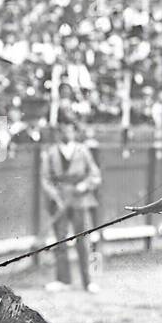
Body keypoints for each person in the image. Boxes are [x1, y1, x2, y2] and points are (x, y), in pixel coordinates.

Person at [40, 123, 102, 292]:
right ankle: (63, 280)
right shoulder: (51, 152)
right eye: (63, 130)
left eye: (70, 130)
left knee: (83, 240)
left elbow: (95, 175)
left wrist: (85, 185)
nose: (67, 133)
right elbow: (45, 179)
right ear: (59, 133)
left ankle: (88, 281)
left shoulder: (83, 151)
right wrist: (56, 197)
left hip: (80, 199)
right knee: (60, 239)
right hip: (60, 199)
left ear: (74, 132)